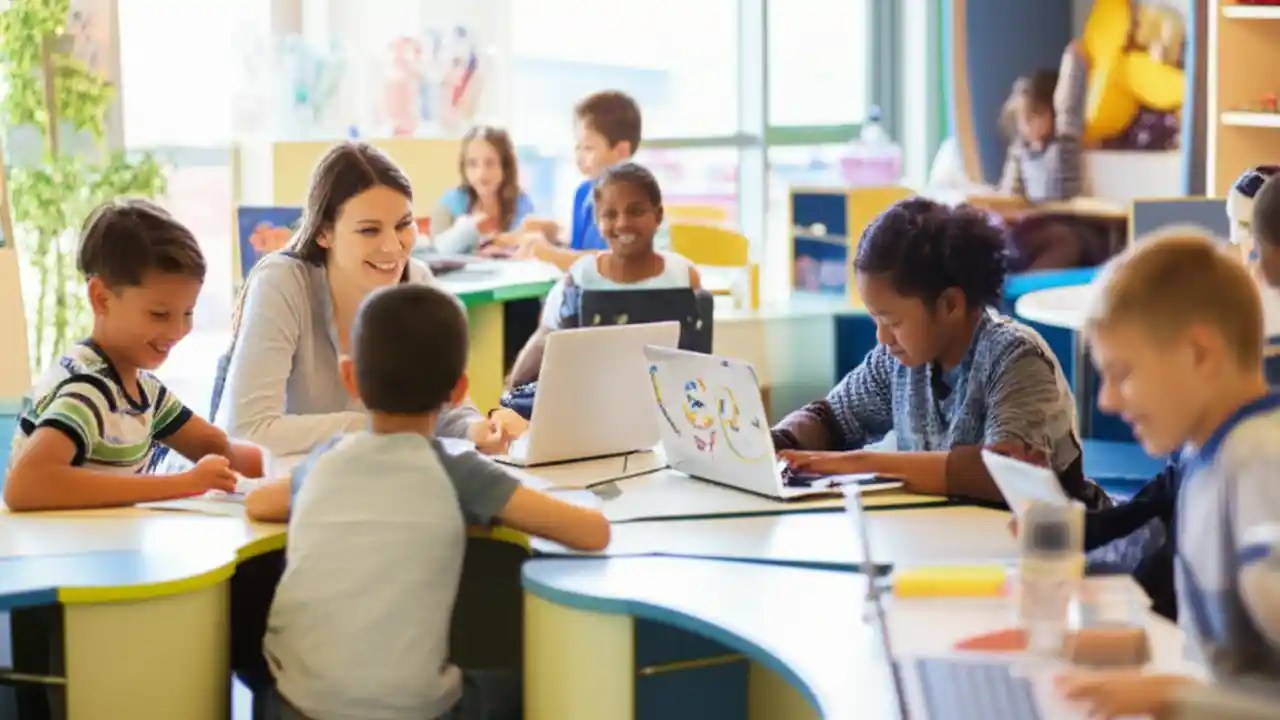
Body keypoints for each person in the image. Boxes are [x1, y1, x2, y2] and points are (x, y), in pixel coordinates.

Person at [254, 283, 610, 720]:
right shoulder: (459, 474)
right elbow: (592, 533)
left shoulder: (323, 462)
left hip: (292, 706)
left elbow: (259, 504)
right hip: (412, 711)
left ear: (350, 377)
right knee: (534, 681)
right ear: (458, 392)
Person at [1058, 234, 1280, 718]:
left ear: (1200, 354)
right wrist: (1124, 646)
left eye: (1123, 373)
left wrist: (1170, 697)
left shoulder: (1261, 467)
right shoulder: (1206, 458)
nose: (1107, 401)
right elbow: (1237, 664)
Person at [775, 198, 1108, 509]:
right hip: (951, 535)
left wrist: (856, 463)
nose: (882, 337)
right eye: (876, 320)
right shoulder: (897, 360)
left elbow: (1003, 472)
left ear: (950, 305)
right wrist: (775, 444)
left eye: (893, 321)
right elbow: (831, 418)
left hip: (1057, 541)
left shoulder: (1017, 358)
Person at [213, 142, 523, 459]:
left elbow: (441, 407)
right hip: (288, 481)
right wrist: (373, 426)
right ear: (323, 232)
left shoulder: (417, 281)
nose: (393, 247)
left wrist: (478, 429)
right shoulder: (283, 282)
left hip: (374, 473)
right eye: (369, 230)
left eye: (403, 225)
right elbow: (246, 429)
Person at [4, 199, 263, 511]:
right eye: (159, 314)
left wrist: (301, 470)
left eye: (188, 312)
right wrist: (185, 483)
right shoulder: (89, 388)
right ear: (101, 299)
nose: (177, 330)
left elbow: (219, 449)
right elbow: (26, 485)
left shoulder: (144, 391)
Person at [508, 162, 700, 387]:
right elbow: (543, 342)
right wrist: (511, 392)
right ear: (598, 221)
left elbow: (699, 355)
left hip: (668, 397)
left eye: (635, 212)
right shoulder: (580, 279)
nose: (622, 223)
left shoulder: (683, 276)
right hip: (590, 397)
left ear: (658, 216)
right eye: (610, 215)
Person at [991, 41, 1110, 271]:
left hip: (1068, 224)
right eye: (1025, 119)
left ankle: (1032, 283)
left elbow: (1070, 110)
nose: (1029, 125)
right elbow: (1009, 192)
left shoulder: (1063, 146)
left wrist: (1073, 63)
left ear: (1052, 114)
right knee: (1008, 236)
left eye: (1037, 115)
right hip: (1034, 224)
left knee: (1065, 241)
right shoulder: (1020, 151)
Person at [513, 90, 642, 271]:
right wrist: (553, 235)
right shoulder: (584, 193)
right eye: (577, 147)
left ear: (621, 152)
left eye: (588, 149)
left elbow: (614, 263)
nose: (579, 157)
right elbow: (578, 252)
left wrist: (550, 254)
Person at [429, 126, 554, 256]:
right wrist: (470, 228)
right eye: (472, 164)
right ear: (464, 168)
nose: (481, 173)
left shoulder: (522, 204)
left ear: (505, 167)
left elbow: (533, 243)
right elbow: (436, 251)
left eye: (490, 163)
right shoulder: (449, 204)